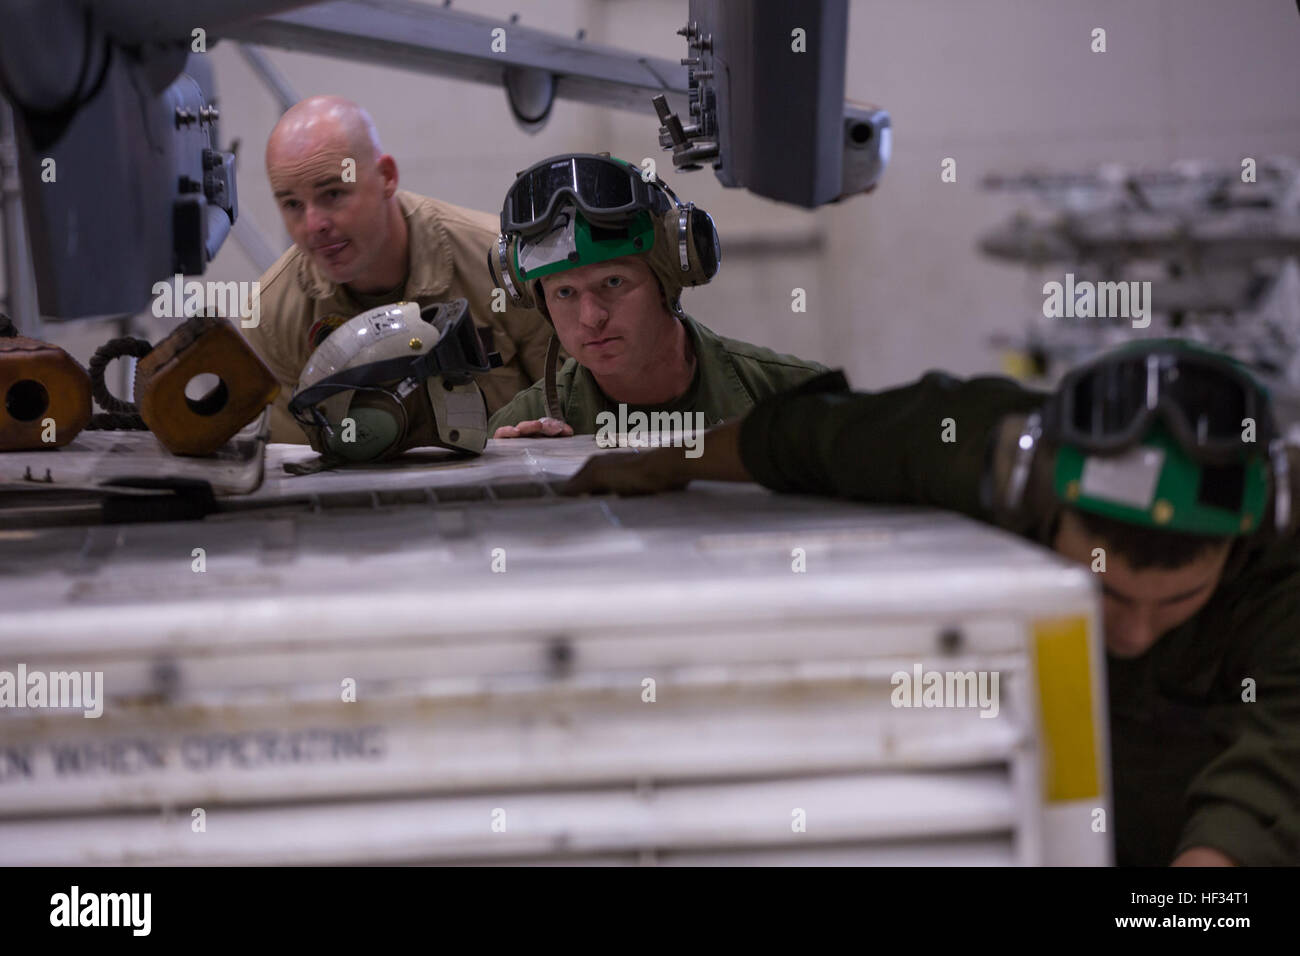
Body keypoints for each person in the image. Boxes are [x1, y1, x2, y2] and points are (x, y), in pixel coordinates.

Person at [566, 339, 1300, 867]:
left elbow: (1272, 772)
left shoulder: (1284, 569)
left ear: (1246, 543)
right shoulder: (980, 448)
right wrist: (663, 463)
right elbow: (815, 436)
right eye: (1104, 590)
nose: (1135, 633)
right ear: (1036, 495)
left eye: (1177, 601)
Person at [244, 95, 553, 443]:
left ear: (386, 177)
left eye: (332, 194)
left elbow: (568, 410)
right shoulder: (272, 316)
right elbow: (292, 465)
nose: (313, 224)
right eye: (292, 204)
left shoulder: (505, 268)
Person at [485, 153, 827, 440]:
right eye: (564, 292)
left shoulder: (798, 399)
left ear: (669, 278)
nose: (591, 317)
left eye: (614, 282)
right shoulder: (519, 428)